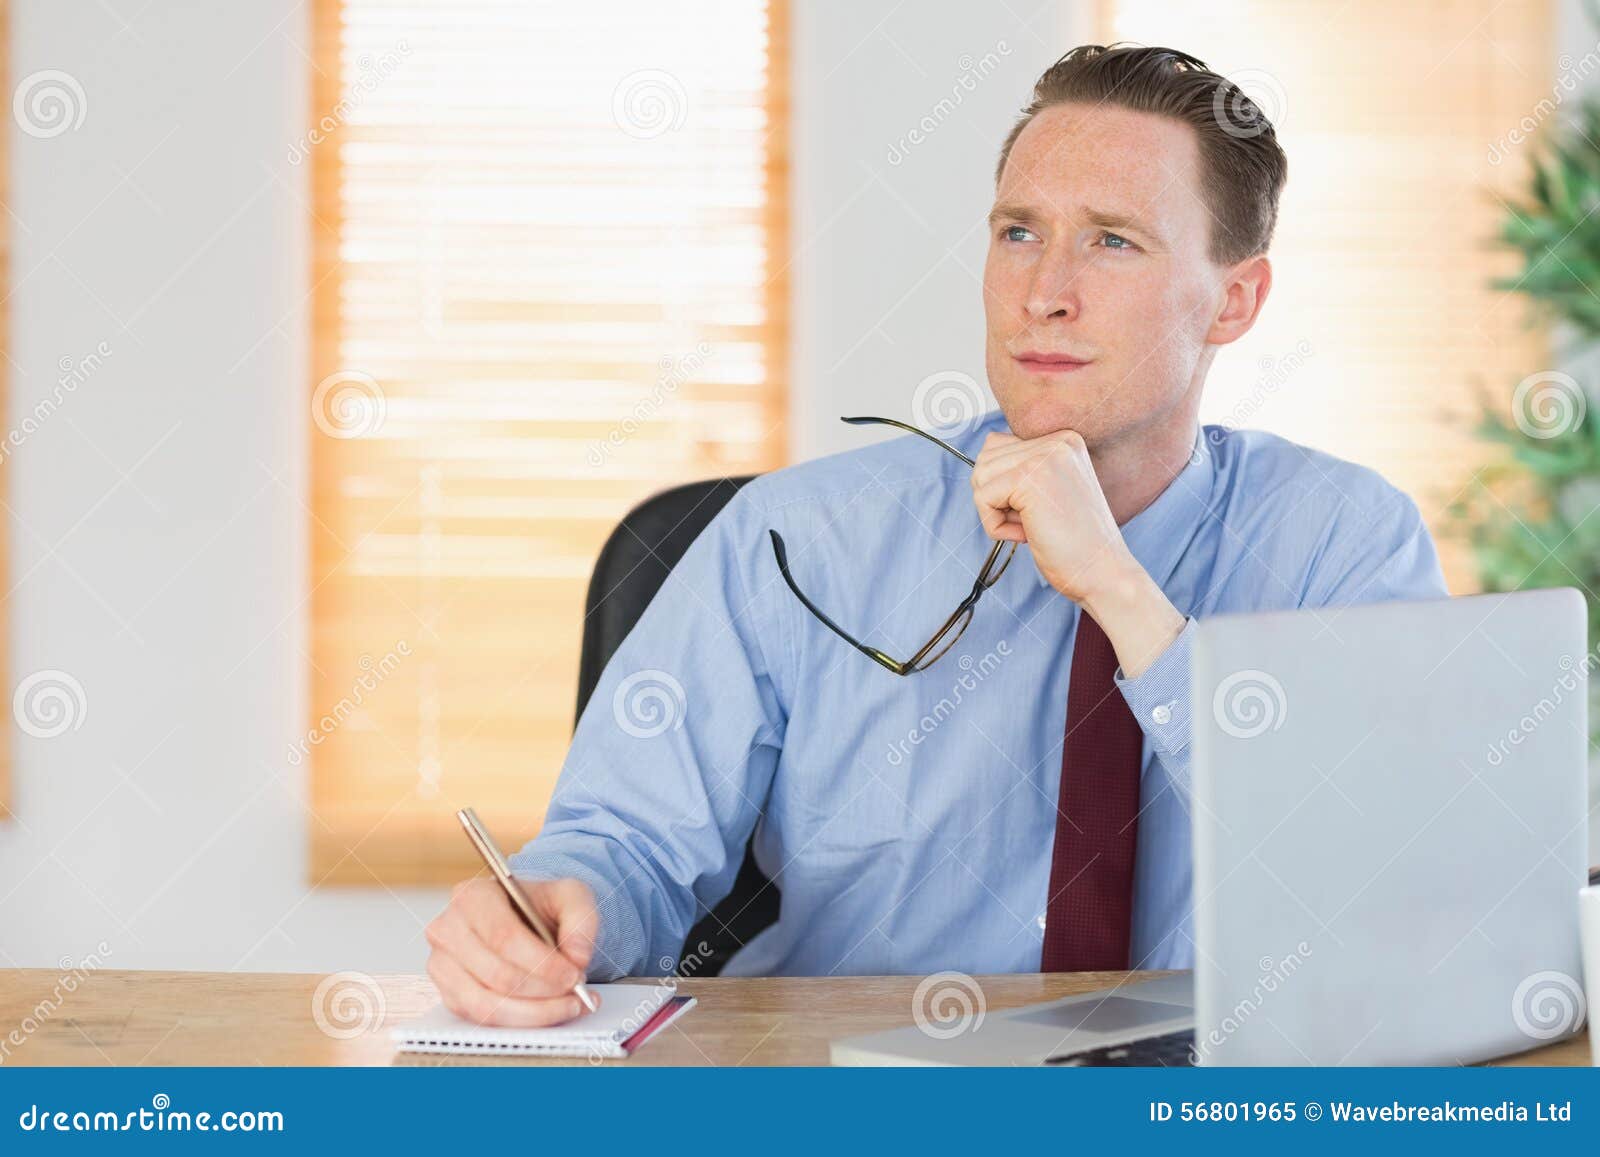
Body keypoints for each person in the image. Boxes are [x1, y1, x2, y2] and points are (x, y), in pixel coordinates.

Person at [424, 43, 1448, 1027]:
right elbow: (627, 845)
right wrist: (562, 903)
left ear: (1234, 301)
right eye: (1017, 232)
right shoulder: (800, 536)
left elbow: (1380, 892)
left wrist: (1115, 586)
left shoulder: (1342, 544)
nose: (1043, 290)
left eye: (1111, 240)